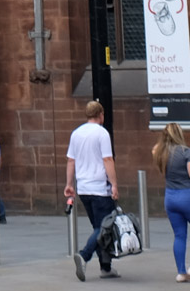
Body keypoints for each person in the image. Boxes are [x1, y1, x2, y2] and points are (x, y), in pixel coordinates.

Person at [65, 100, 118, 280]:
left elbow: (71, 160)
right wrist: (114, 184)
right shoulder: (102, 134)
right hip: (99, 188)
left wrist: (69, 184)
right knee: (104, 228)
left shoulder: (76, 133)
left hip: (84, 188)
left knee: (99, 227)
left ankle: (106, 267)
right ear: (101, 115)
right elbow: (107, 160)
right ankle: (84, 255)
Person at [154, 122, 190, 283]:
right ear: (179, 134)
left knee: (179, 235)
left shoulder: (160, 152)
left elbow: (155, 148)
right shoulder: (187, 152)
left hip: (170, 198)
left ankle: (181, 272)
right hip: (188, 196)